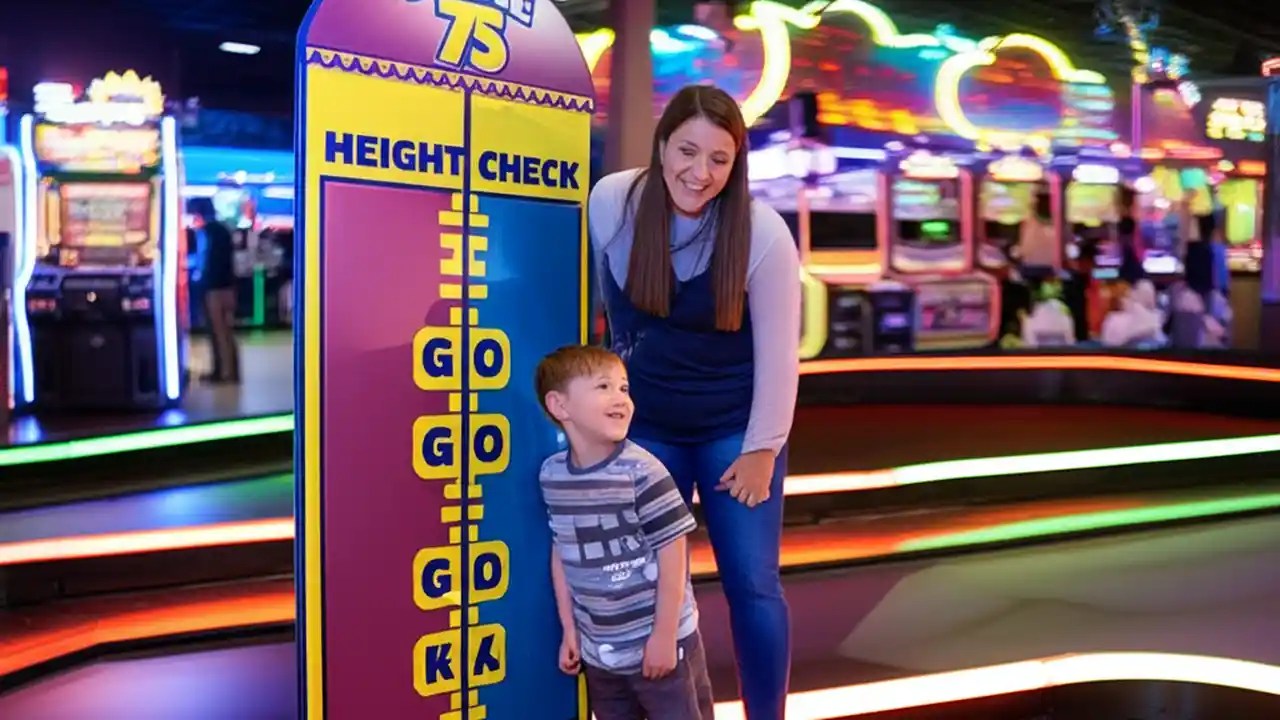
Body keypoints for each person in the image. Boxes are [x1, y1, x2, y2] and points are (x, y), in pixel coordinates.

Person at [588, 84, 802, 719]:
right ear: (661, 146)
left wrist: (764, 449)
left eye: (719, 159)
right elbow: (610, 317)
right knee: (642, 588)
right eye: (687, 151)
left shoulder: (762, 232)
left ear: (736, 164)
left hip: (733, 429)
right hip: (648, 426)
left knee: (753, 586)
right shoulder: (614, 203)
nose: (699, 173)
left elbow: (779, 355)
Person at [536, 345, 714, 720]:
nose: (621, 398)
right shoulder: (553, 476)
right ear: (560, 406)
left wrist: (664, 637)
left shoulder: (643, 473)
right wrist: (571, 630)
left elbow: (673, 554)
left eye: (624, 388)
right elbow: (564, 553)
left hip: (662, 647)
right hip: (601, 655)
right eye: (603, 387)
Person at [190, 198, 241, 384]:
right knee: (228, 333)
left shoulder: (205, 233)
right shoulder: (224, 230)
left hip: (214, 289)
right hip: (228, 287)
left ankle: (222, 373)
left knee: (217, 332)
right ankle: (232, 372)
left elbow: (202, 261)